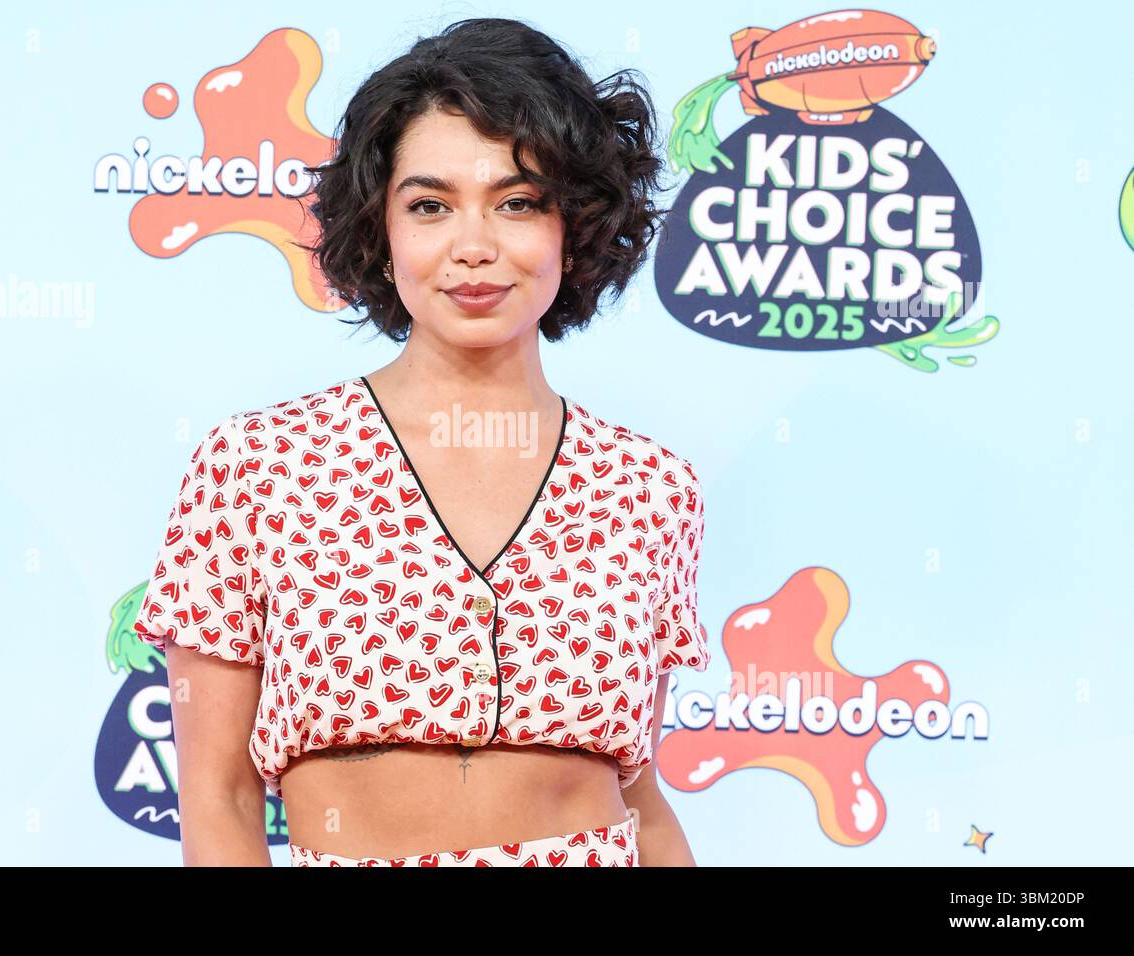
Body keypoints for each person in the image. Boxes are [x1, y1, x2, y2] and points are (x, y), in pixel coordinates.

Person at [134, 16, 710, 867]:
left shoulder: (652, 489)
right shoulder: (258, 468)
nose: (473, 248)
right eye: (431, 206)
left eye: (518, 203)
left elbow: (639, 794)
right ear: (381, 228)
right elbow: (217, 798)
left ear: (573, 224)